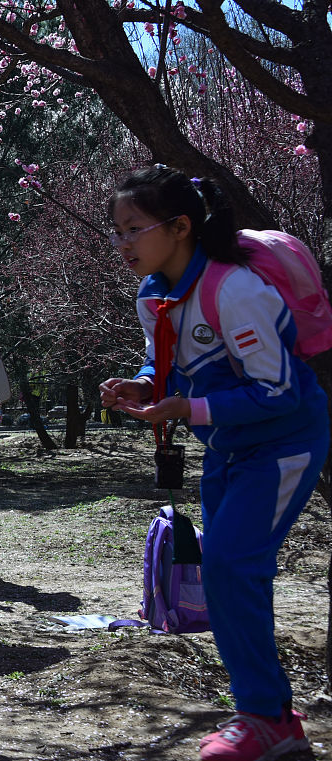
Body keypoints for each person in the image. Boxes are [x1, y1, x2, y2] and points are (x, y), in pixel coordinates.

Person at [99, 165, 327, 761]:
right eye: (115, 231)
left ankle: (264, 718)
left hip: (284, 444)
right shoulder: (155, 294)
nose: (122, 243)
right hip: (226, 445)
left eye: (132, 229)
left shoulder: (235, 290)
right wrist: (145, 385)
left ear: (179, 227)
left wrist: (187, 408)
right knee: (223, 573)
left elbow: (280, 392)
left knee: (229, 566)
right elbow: (167, 363)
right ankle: (271, 716)